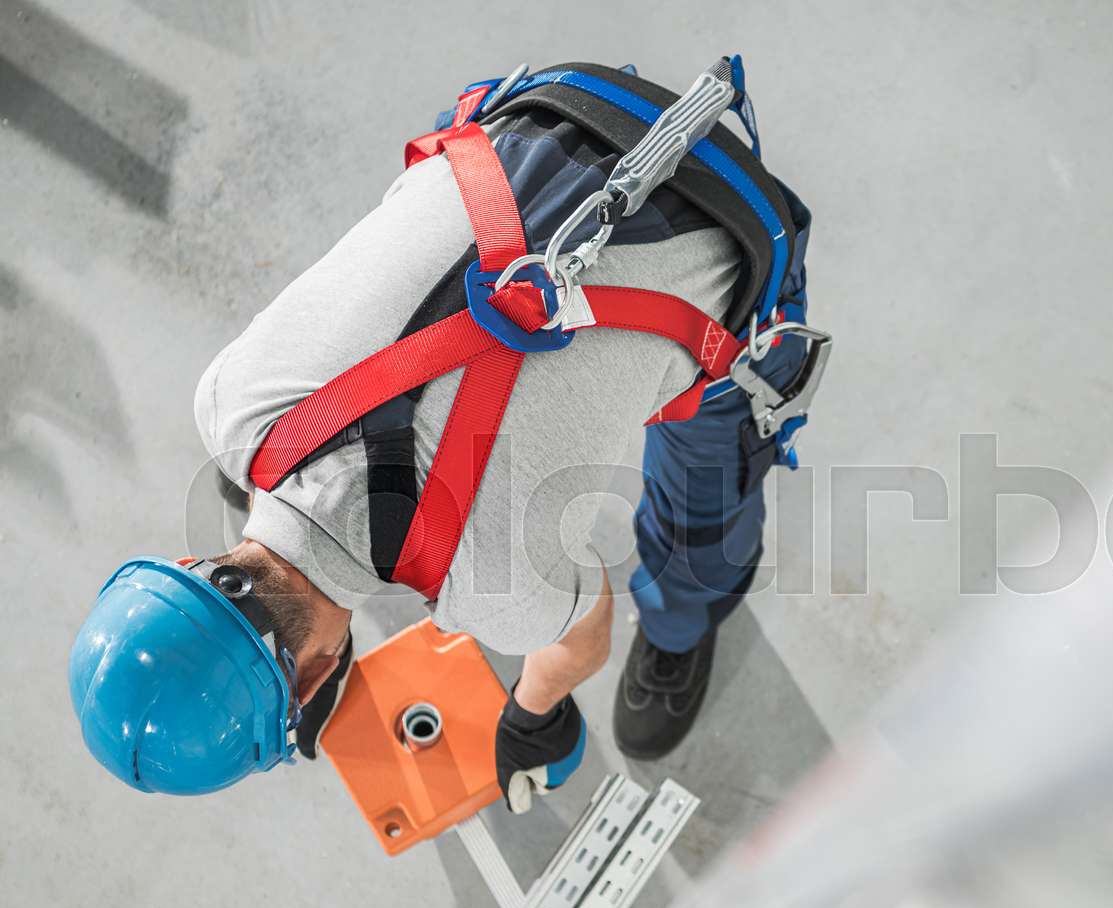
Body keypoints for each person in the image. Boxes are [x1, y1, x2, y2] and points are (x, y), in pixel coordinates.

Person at [67, 61, 817, 812]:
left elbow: (581, 635)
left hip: (737, 229)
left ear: (311, 684)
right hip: (563, 104)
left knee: (707, 489)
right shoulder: (227, 398)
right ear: (184, 564)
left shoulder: (501, 598)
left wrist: (537, 713)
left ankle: (681, 622)